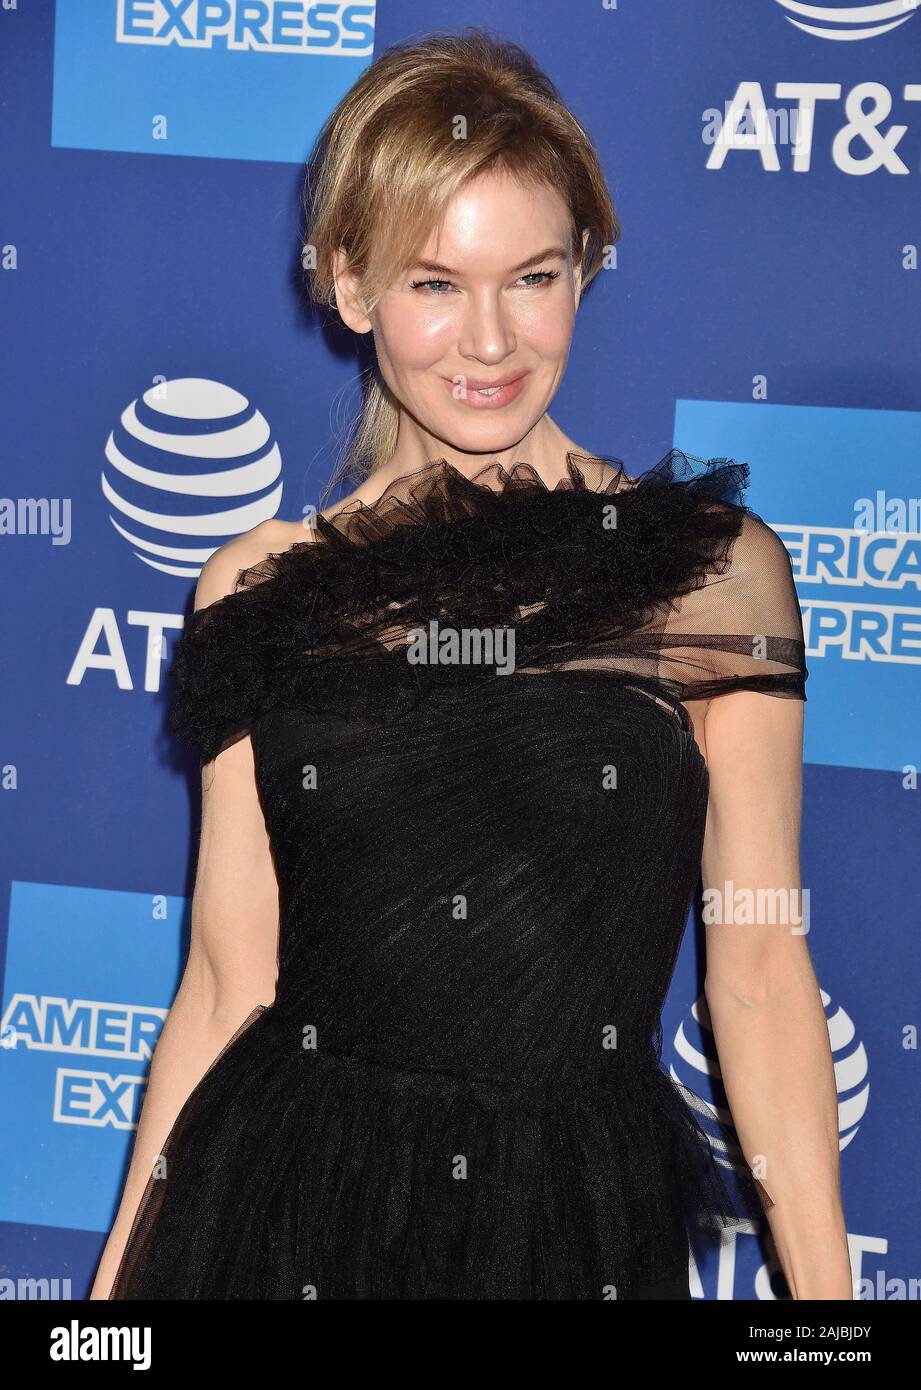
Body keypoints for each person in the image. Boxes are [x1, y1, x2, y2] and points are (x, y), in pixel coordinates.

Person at [93, 29, 851, 1300]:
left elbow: (763, 969)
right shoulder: (260, 585)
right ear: (346, 284)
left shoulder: (706, 573)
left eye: (534, 276)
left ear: (586, 273)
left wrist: (830, 1319)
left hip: (569, 1223)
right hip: (284, 1206)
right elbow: (229, 982)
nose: (490, 340)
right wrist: (112, 1308)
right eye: (433, 282)